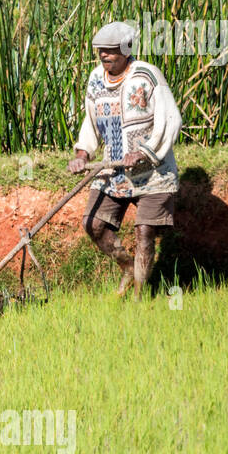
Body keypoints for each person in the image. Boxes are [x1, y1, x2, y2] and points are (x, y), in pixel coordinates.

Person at [67, 21, 182, 298]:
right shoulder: (96, 79)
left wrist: (145, 152)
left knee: (144, 231)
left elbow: (170, 120)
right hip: (114, 170)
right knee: (93, 224)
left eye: (111, 51)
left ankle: (141, 294)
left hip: (154, 173)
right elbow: (91, 121)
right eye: (100, 52)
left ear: (126, 49)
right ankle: (128, 268)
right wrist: (83, 153)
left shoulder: (147, 76)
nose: (105, 56)